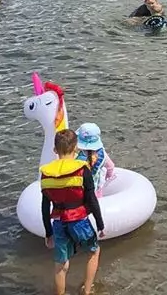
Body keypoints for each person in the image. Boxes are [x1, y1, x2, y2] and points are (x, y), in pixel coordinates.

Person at [41, 127, 105, 295]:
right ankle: (87, 290)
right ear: (76, 148)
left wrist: (48, 232)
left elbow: (44, 206)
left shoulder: (46, 173)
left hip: (59, 223)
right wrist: (100, 224)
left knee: (61, 263)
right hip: (79, 221)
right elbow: (92, 199)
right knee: (93, 251)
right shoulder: (82, 169)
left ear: (55, 150)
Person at [76, 123, 116, 197]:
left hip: (82, 191)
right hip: (96, 188)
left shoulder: (79, 158)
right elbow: (110, 167)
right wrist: (108, 176)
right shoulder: (102, 154)